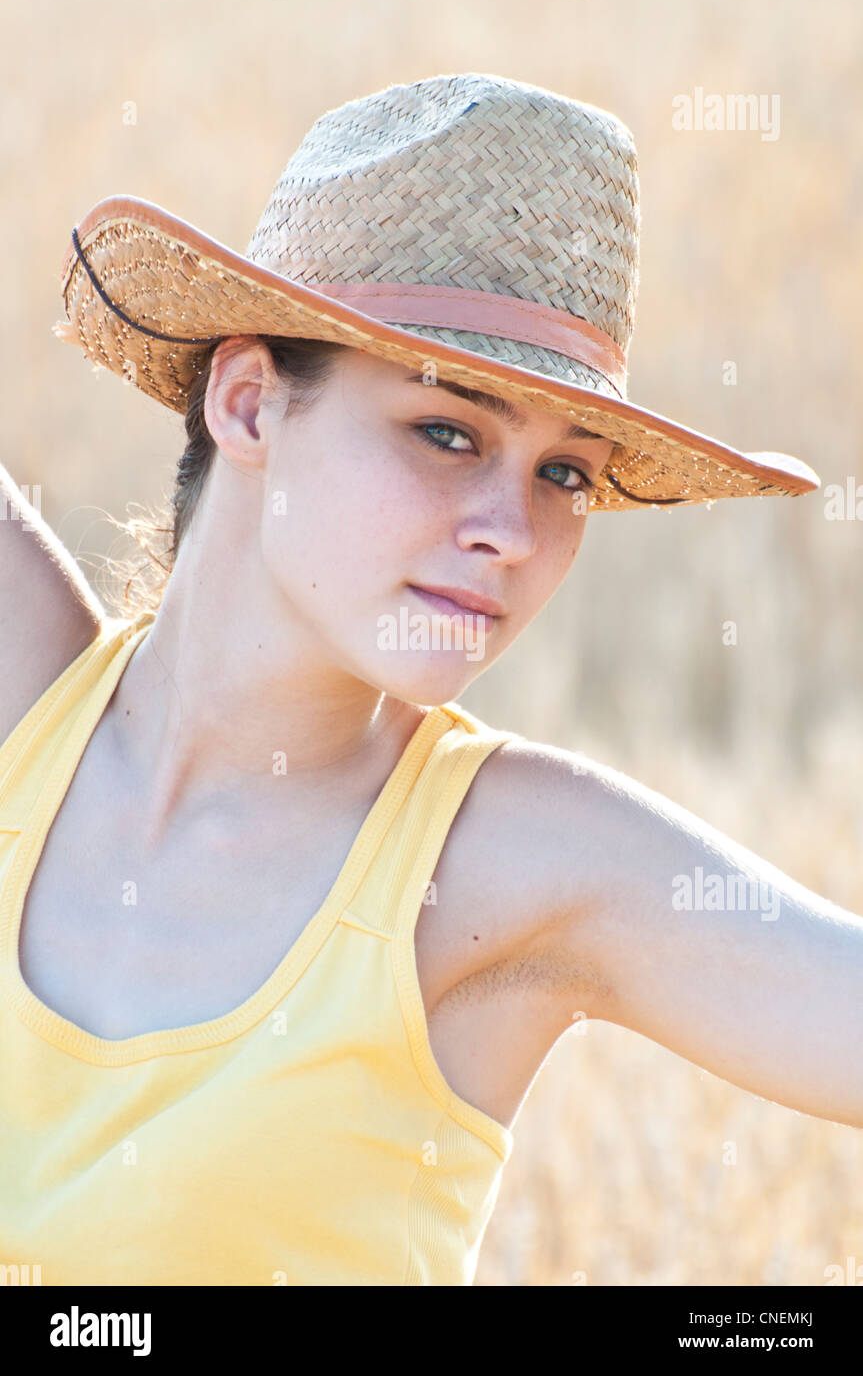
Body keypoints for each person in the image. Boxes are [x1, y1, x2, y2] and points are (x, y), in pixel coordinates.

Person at [1, 72, 857, 1288]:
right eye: (446, 432)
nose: (511, 527)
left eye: (564, 475)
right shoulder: (21, 693)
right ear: (247, 402)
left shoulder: (503, 861)